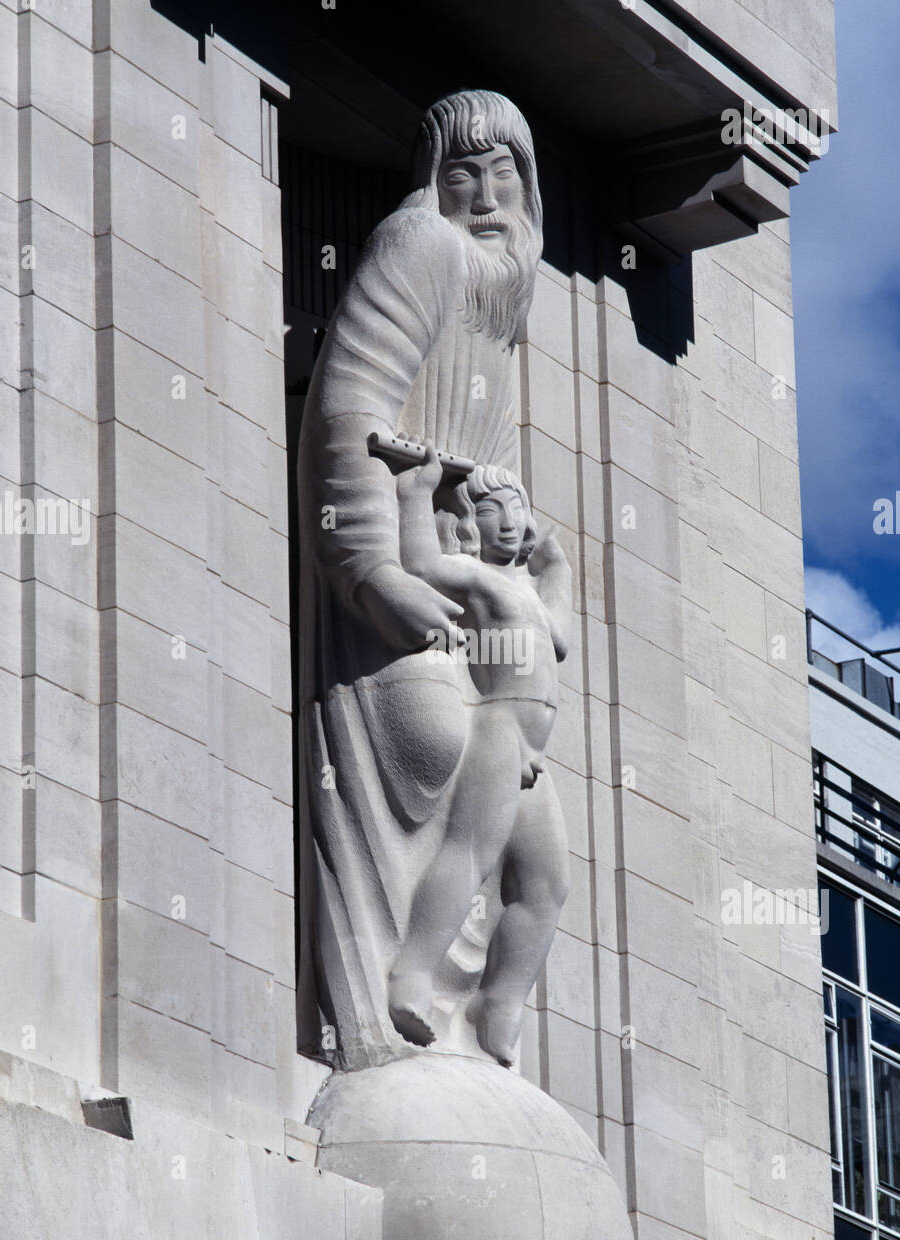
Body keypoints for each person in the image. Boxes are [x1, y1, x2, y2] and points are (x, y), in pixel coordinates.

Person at [296, 90, 550, 1066]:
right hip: (402, 581)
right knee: (429, 753)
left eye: (506, 174)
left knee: (523, 850)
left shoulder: (503, 296)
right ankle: (380, 1017)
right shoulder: (421, 247)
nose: (485, 194)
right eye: (462, 173)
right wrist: (368, 569)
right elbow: (346, 407)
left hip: (473, 602)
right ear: (431, 184)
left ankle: (468, 1031)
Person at [385, 445, 571, 1064]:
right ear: (473, 521)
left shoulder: (533, 598)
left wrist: (559, 566)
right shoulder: (479, 578)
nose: (509, 522)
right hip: (500, 730)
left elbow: (562, 638)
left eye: (516, 509)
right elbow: (419, 563)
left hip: (535, 754)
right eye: (492, 511)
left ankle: (500, 1003)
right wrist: (417, 492)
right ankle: (412, 974)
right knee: (469, 853)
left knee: (546, 887)